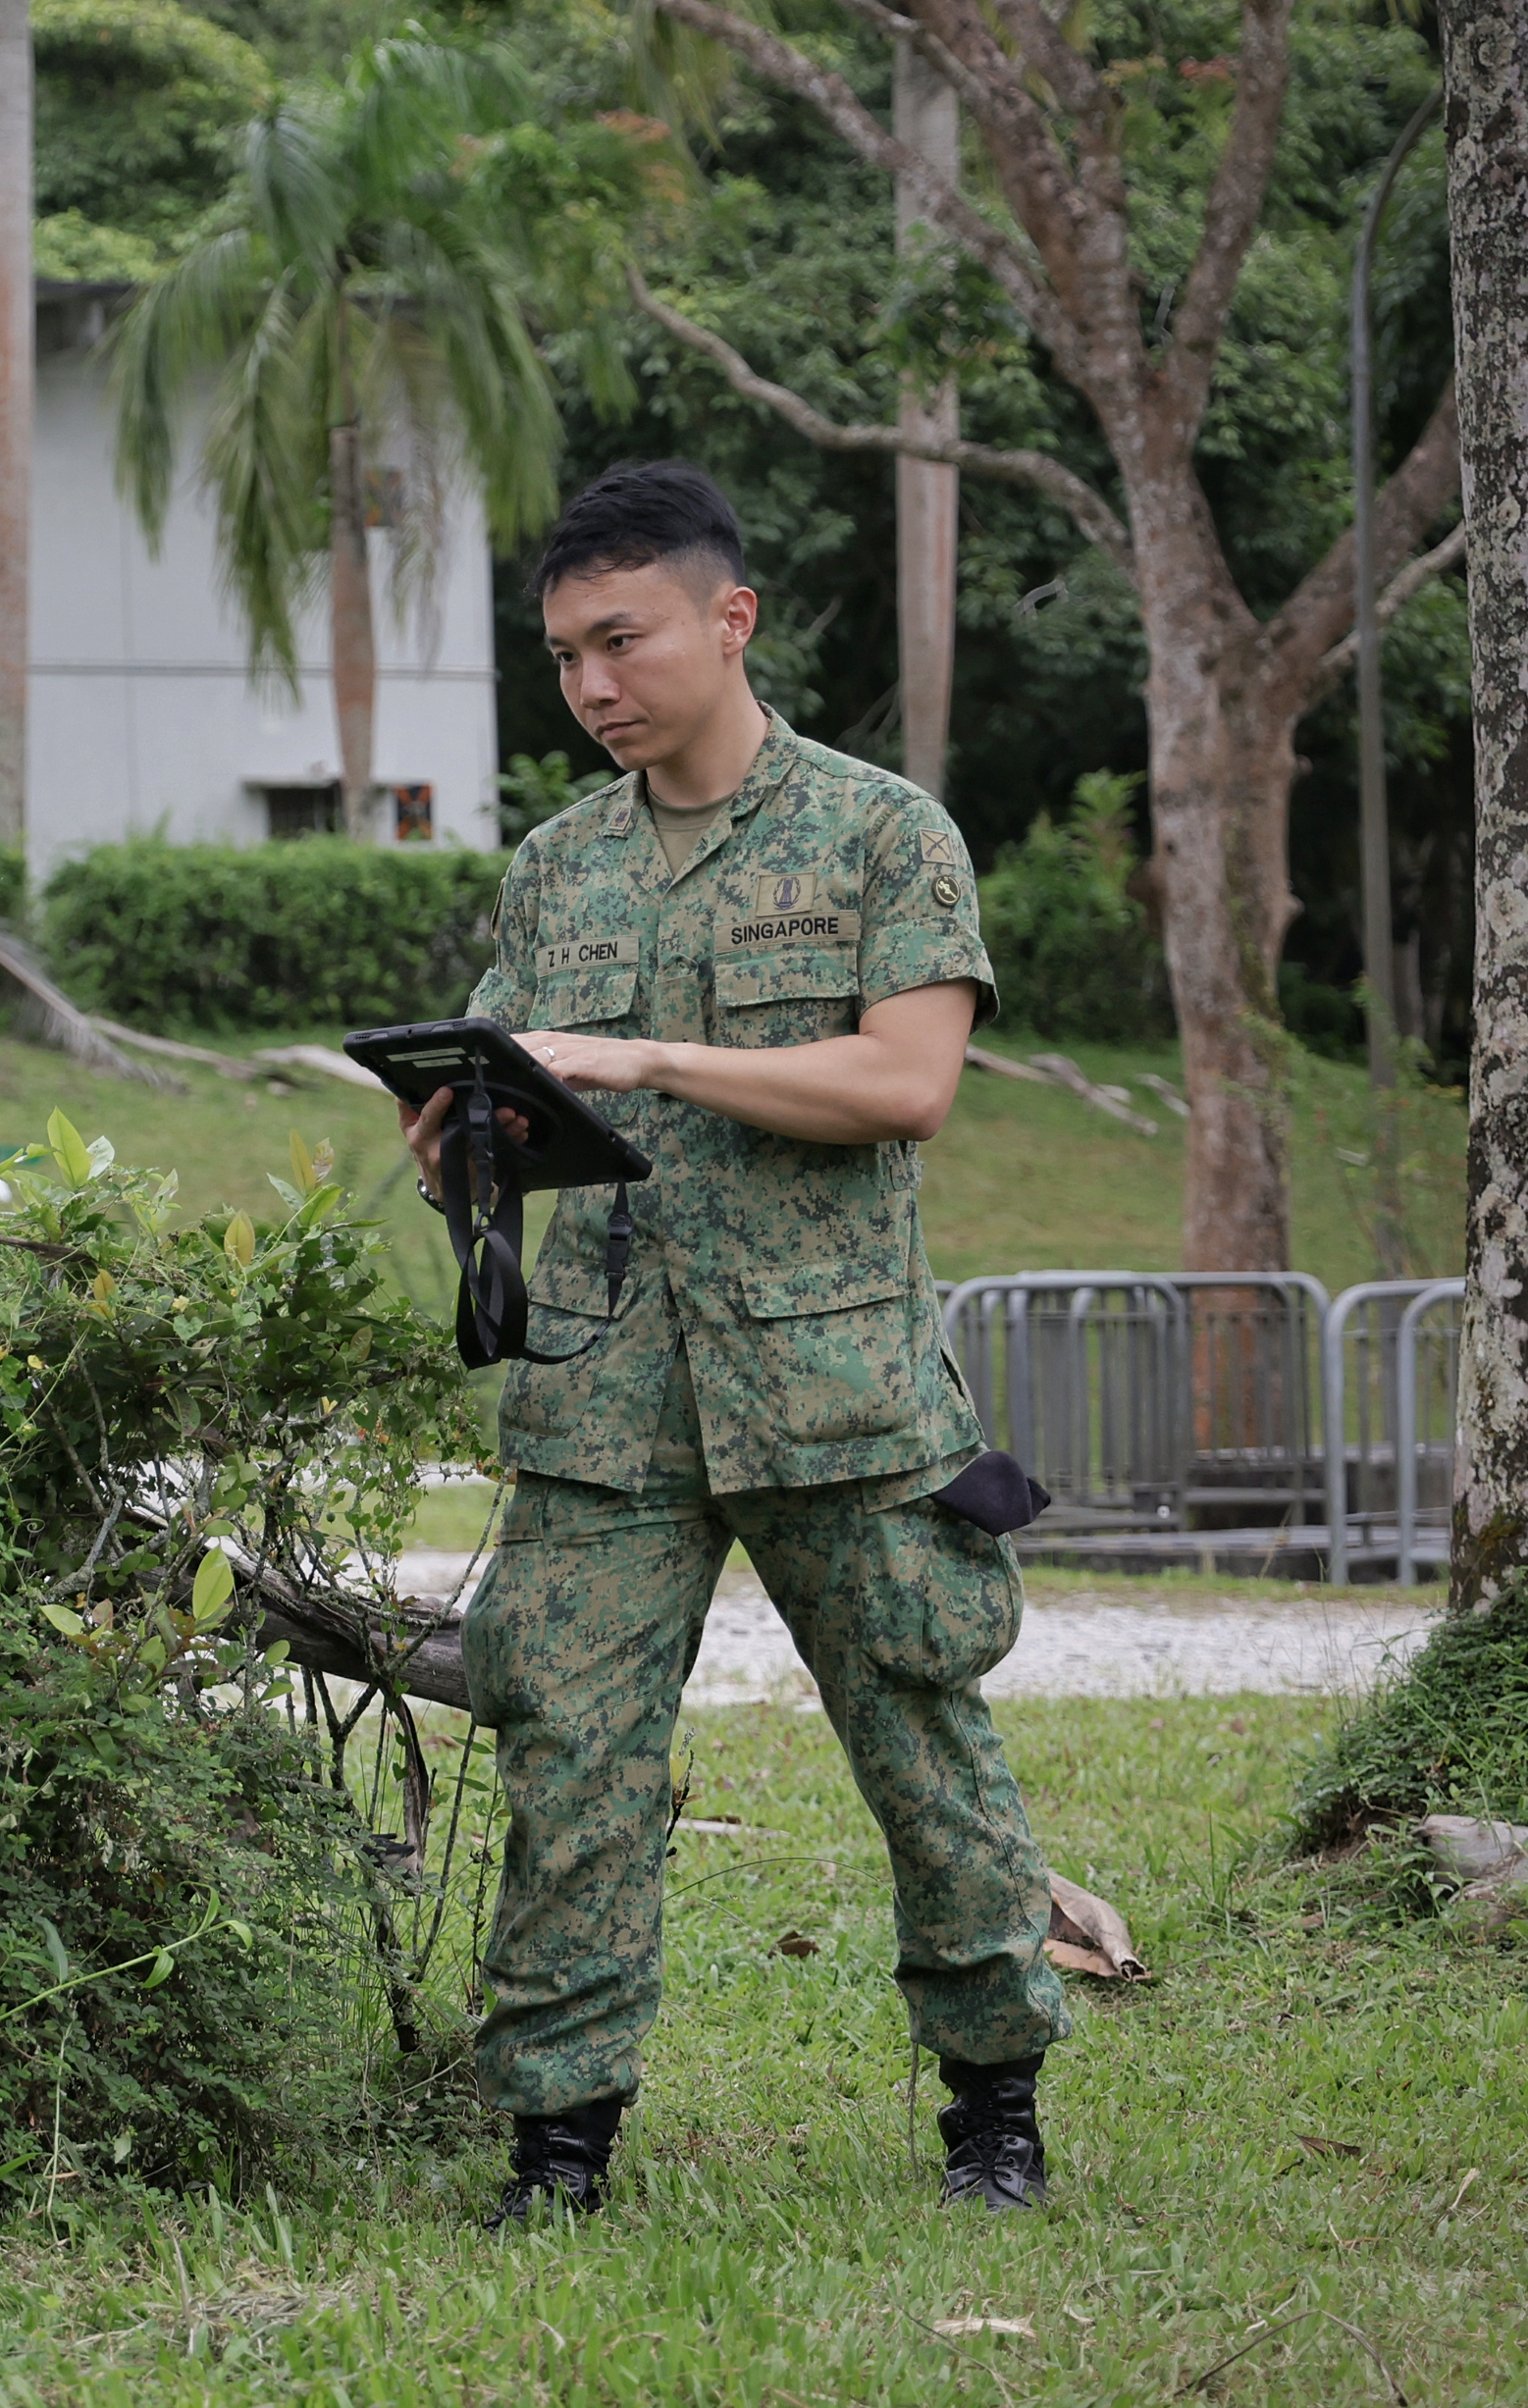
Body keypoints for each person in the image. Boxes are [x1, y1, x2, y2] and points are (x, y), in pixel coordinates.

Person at [405, 461, 1066, 2228]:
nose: (592, 685)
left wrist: (645, 1059)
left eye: (618, 641)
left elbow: (902, 1083)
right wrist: (470, 1142)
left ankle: (990, 2105)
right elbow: (541, 1116)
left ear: (726, 617)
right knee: (567, 1758)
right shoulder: (555, 868)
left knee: (921, 1746)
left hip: (830, 1386)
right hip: (606, 1391)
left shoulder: (877, 833)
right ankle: (557, 2143)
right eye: (559, 658)